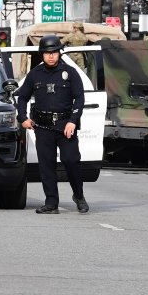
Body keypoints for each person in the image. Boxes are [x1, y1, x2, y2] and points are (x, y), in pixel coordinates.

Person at [14, 34, 87, 215]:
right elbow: (21, 97)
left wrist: (73, 121)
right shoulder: (34, 74)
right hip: (43, 126)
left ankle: (79, 195)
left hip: (65, 125)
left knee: (72, 160)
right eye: (47, 53)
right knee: (46, 165)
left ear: (59, 52)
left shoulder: (70, 73)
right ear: (42, 55)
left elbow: (79, 98)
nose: (51, 56)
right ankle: (51, 203)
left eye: (54, 52)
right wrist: (22, 117)